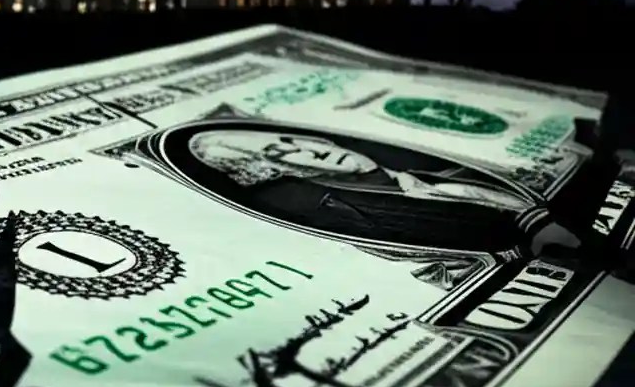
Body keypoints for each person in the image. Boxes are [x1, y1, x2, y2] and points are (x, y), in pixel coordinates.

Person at [186, 129, 542, 254]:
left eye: (292, 139)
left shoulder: (430, 167)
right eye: (279, 153)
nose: (310, 149)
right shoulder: (362, 211)